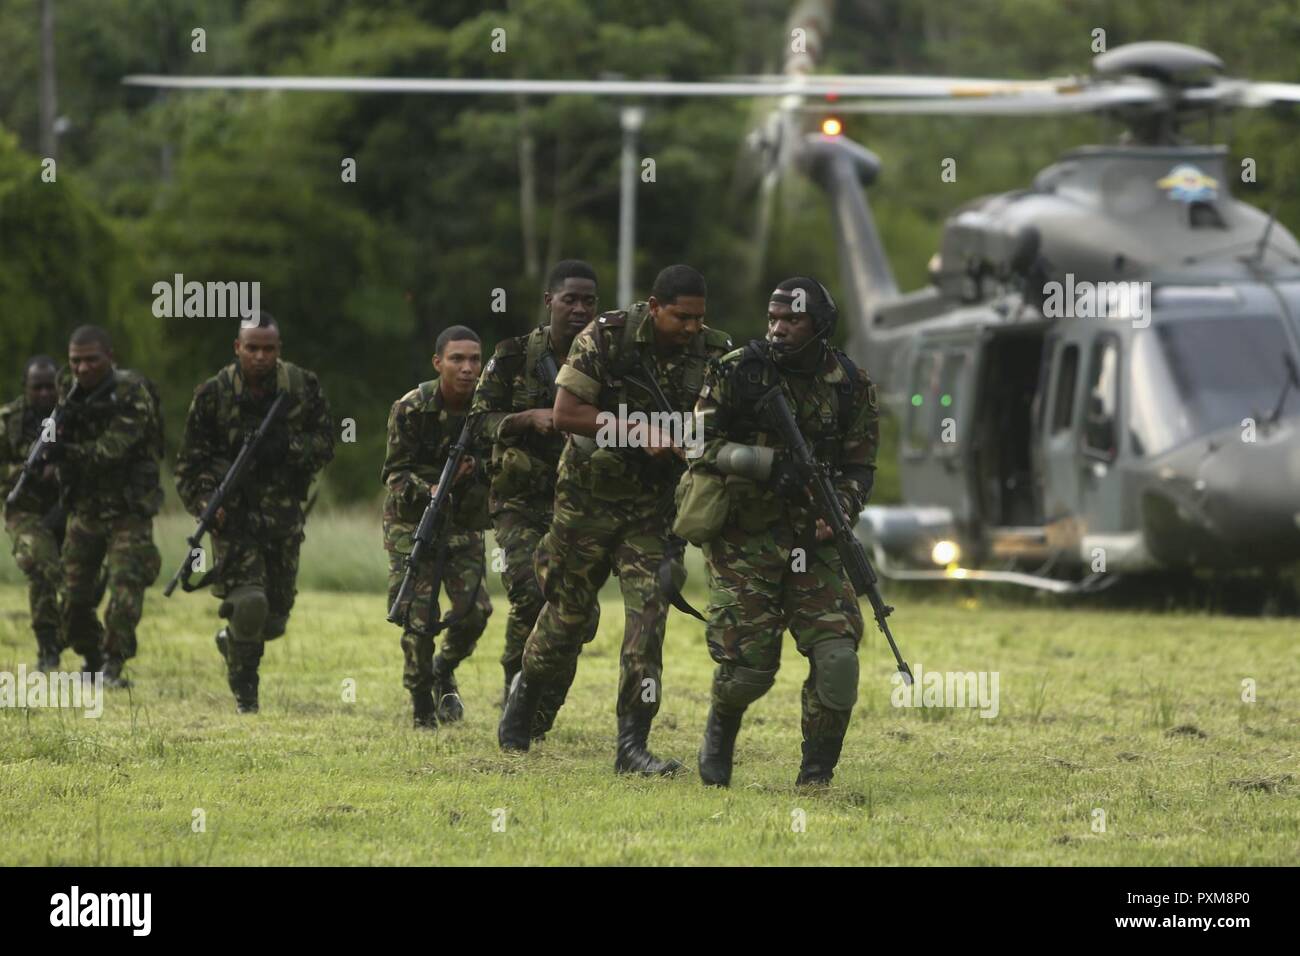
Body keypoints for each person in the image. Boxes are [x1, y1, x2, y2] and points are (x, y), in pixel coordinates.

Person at [498, 264, 732, 775]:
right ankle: (524, 694)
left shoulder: (715, 352)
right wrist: (637, 431)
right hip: (586, 501)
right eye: (680, 317)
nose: (690, 328)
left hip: (653, 511)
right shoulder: (605, 337)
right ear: (653, 308)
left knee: (647, 623)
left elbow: (725, 419)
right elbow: (565, 414)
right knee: (567, 618)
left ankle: (632, 744)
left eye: (698, 318)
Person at [685, 277, 879, 787]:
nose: (778, 329)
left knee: (838, 660)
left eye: (792, 320)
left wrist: (839, 506)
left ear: (820, 325)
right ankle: (720, 728)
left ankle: (816, 774)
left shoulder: (851, 383)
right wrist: (759, 462)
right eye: (773, 319)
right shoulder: (737, 371)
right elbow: (694, 444)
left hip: (814, 541)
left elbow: (862, 466)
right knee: (748, 671)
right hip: (744, 536)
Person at [175, 314, 335, 713]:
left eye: (268, 349)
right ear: (237, 348)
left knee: (274, 620)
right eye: (252, 348)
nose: (260, 356)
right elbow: (189, 468)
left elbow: (327, 443)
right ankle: (247, 694)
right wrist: (207, 506)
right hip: (235, 519)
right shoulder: (213, 396)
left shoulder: (301, 387)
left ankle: (233, 642)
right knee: (249, 604)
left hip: (283, 519)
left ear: (279, 350)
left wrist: (286, 447)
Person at [470, 259, 601, 734]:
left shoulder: (607, 358)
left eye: (589, 300)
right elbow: (476, 423)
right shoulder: (512, 356)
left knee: (577, 615)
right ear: (550, 302)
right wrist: (527, 419)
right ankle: (517, 688)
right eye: (571, 299)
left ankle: (536, 712)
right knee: (533, 592)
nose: (580, 309)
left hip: (580, 506)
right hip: (520, 503)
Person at [382, 326, 493, 729]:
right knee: (417, 616)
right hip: (411, 522)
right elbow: (393, 474)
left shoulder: (487, 409)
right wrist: (428, 490)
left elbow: (505, 460)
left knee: (475, 613)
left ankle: (444, 669)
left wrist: (476, 468)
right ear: (438, 363)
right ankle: (421, 703)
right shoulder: (412, 407)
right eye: (457, 359)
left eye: (475, 360)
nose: (467, 369)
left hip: (463, 522)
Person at [51, 325, 165, 687]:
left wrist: (64, 453)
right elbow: (54, 433)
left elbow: (112, 450)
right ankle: (92, 657)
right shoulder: (67, 392)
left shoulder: (133, 393)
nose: (82, 369)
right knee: (71, 595)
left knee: (125, 587)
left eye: (91, 360)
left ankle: (113, 666)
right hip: (85, 510)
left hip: (127, 511)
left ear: (109, 358)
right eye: (75, 361)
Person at [0, 356, 65, 670]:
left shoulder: (71, 416)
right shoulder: (8, 420)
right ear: (25, 387)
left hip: (67, 507)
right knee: (40, 563)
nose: (43, 394)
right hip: (24, 508)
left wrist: (62, 468)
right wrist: (26, 469)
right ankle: (48, 647)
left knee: (83, 579)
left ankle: (87, 644)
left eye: (49, 387)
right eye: (36, 387)